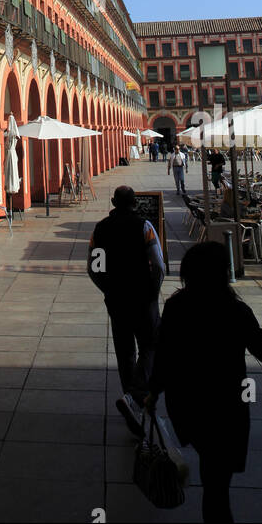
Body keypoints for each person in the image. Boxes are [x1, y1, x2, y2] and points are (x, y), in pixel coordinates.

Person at [146, 241, 262, 523]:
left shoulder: (176, 307)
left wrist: (154, 390)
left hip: (188, 402)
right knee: (217, 481)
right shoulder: (235, 310)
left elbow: (164, 353)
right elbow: (260, 343)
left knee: (212, 469)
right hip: (227, 404)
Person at [89, 185, 164, 434]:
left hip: (116, 299)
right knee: (151, 345)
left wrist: (107, 289)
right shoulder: (145, 227)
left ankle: (130, 396)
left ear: (113, 202)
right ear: (135, 203)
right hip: (144, 298)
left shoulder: (100, 230)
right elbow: (158, 264)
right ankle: (135, 395)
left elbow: (94, 267)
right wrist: (154, 290)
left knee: (125, 352)